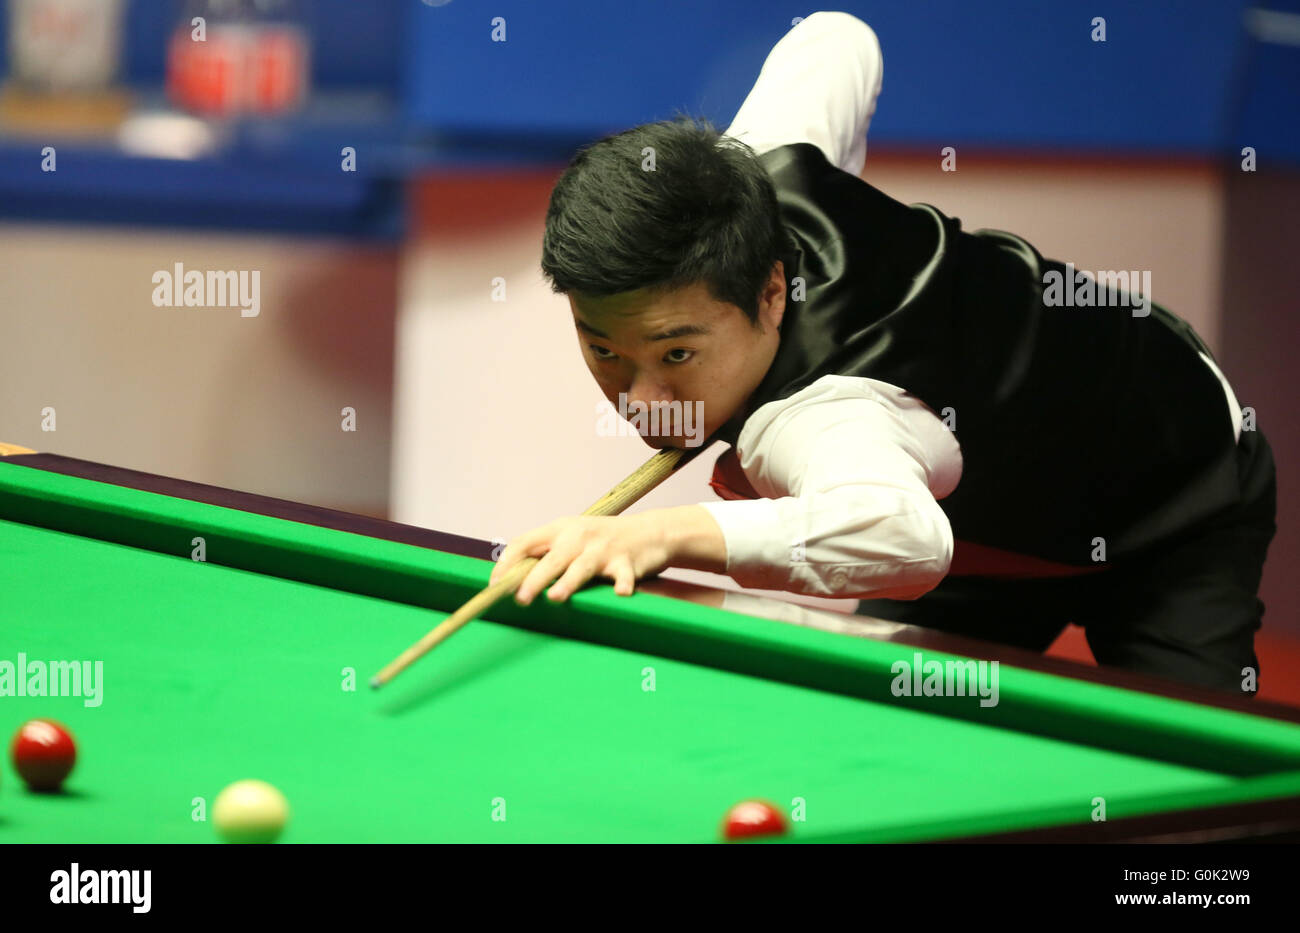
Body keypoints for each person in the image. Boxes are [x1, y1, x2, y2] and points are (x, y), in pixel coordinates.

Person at [490, 12, 1276, 694]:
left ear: (771, 291)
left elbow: (905, 536)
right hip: (986, 534)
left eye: (678, 355)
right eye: (604, 352)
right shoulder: (751, 171)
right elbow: (837, 38)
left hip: (1174, 494)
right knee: (885, 736)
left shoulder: (828, 415)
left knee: (1200, 800)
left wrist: (658, 534)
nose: (643, 400)